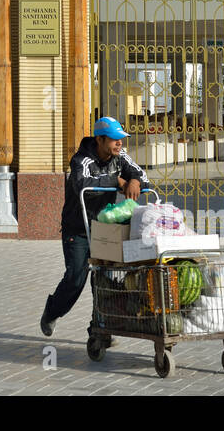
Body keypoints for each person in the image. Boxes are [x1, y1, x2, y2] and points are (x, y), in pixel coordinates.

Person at [40, 116, 150, 338]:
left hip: (103, 228)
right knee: (76, 277)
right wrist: (117, 181)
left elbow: (140, 174)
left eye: (121, 139)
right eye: (114, 139)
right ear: (100, 140)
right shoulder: (81, 160)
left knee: (104, 278)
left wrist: (135, 181)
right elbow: (83, 183)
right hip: (78, 229)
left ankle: (99, 330)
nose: (119, 143)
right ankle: (52, 311)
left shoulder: (121, 157)